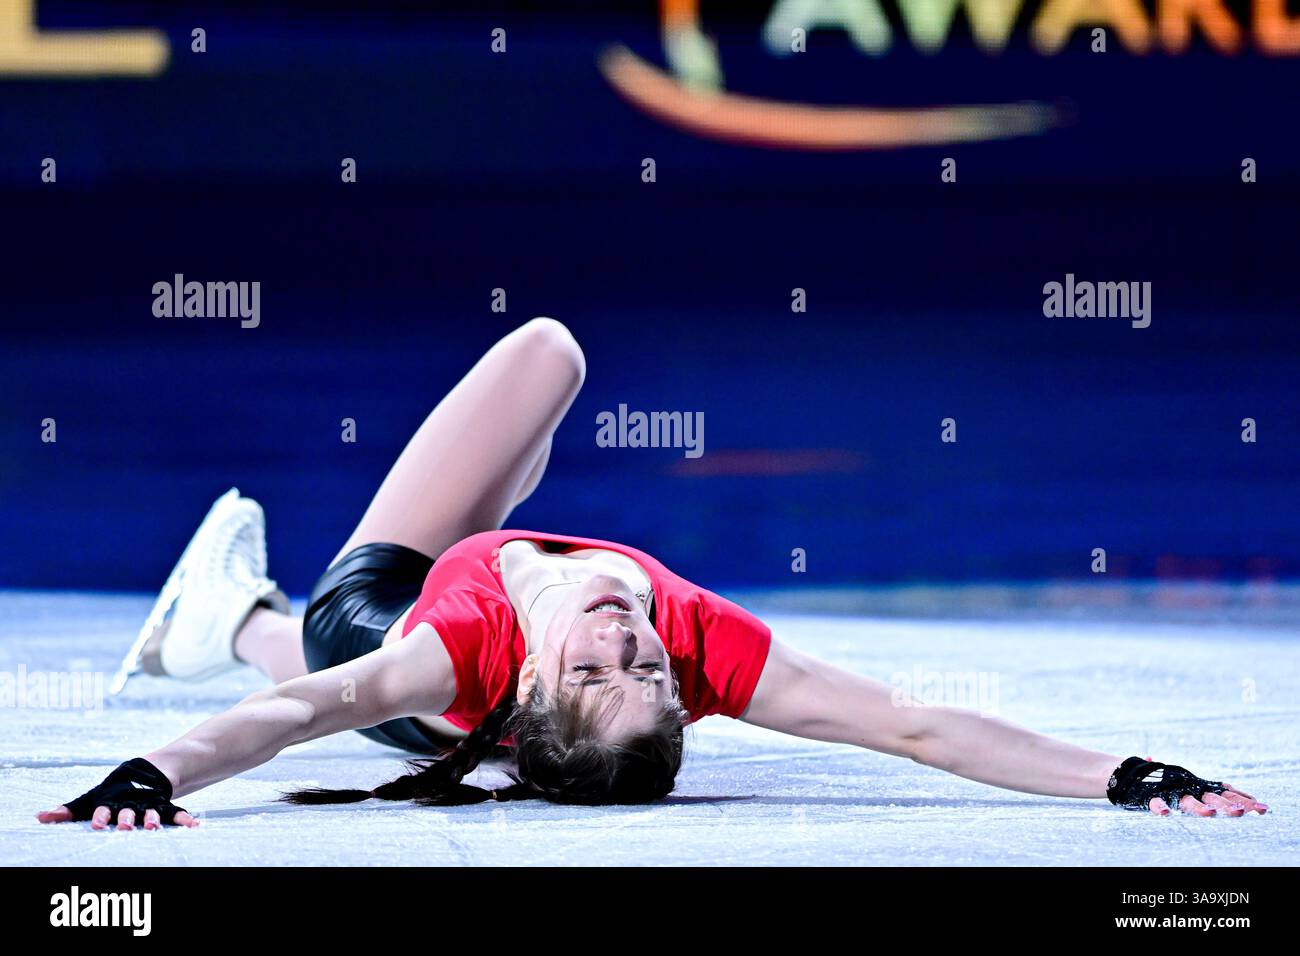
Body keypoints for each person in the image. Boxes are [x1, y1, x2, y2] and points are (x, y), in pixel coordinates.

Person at [37, 319, 1266, 829]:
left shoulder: (442, 654)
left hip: (379, 607)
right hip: (480, 626)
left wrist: (148, 773)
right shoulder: (697, 638)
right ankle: (221, 610)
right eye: (649, 664)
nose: (624, 626)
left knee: (320, 647)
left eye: (593, 660)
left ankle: (236, 608)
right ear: (685, 686)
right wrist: (1129, 775)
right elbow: (921, 727)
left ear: (523, 690)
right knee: (558, 364)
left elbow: (299, 712)